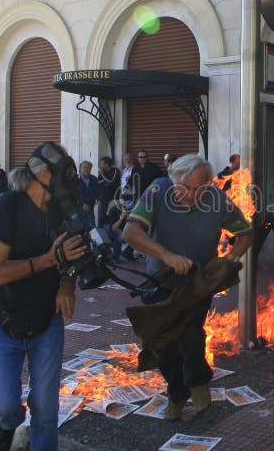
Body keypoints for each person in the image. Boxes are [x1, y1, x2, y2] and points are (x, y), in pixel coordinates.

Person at [123, 154, 253, 421]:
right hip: (160, 286)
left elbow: (245, 233)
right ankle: (177, 394)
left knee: (191, 338)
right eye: (185, 187)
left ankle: (198, 389)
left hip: (196, 286)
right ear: (174, 180)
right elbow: (131, 233)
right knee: (163, 347)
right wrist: (165, 255)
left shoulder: (216, 199)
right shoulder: (158, 190)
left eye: (199, 188)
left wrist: (230, 258)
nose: (192, 195)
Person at [0, 142, 86, 450]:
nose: (69, 182)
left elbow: (71, 258)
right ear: (42, 175)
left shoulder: (60, 214)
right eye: (63, 175)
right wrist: (49, 260)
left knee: (46, 411)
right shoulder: (5, 207)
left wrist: (67, 284)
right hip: (3, 322)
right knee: (6, 408)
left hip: (46, 325)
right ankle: (8, 426)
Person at [96, 156, 121, 228]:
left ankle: (111, 235)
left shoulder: (115, 170)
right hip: (103, 199)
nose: (101, 166)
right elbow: (98, 182)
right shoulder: (102, 172)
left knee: (111, 217)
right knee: (101, 218)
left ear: (107, 164)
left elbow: (111, 181)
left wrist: (103, 175)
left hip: (112, 199)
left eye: (102, 164)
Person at [77, 161, 99, 226]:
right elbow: (73, 195)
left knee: (92, 230)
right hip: (78, 210)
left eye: (89, 167)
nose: (87, 169)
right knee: (79, 230)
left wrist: (99, 199)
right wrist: (82, 204)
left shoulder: (94, 179)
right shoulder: (75, 179)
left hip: (90, 209)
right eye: (84, 167)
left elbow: (98, 191)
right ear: (80, 169)